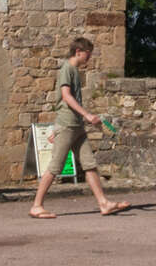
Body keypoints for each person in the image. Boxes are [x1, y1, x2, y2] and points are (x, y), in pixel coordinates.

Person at [28, 36, 130, 220]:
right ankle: (36, 206)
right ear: (78, 52)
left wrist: (85, 118)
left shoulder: (74, 70)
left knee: (89, 164)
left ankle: (103, 203)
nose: (89, 59)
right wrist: (86, 115)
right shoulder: (67, 69)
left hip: (76, 127)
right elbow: (66, 96)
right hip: (67, 125)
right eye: (88, 55)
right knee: (55, 166)